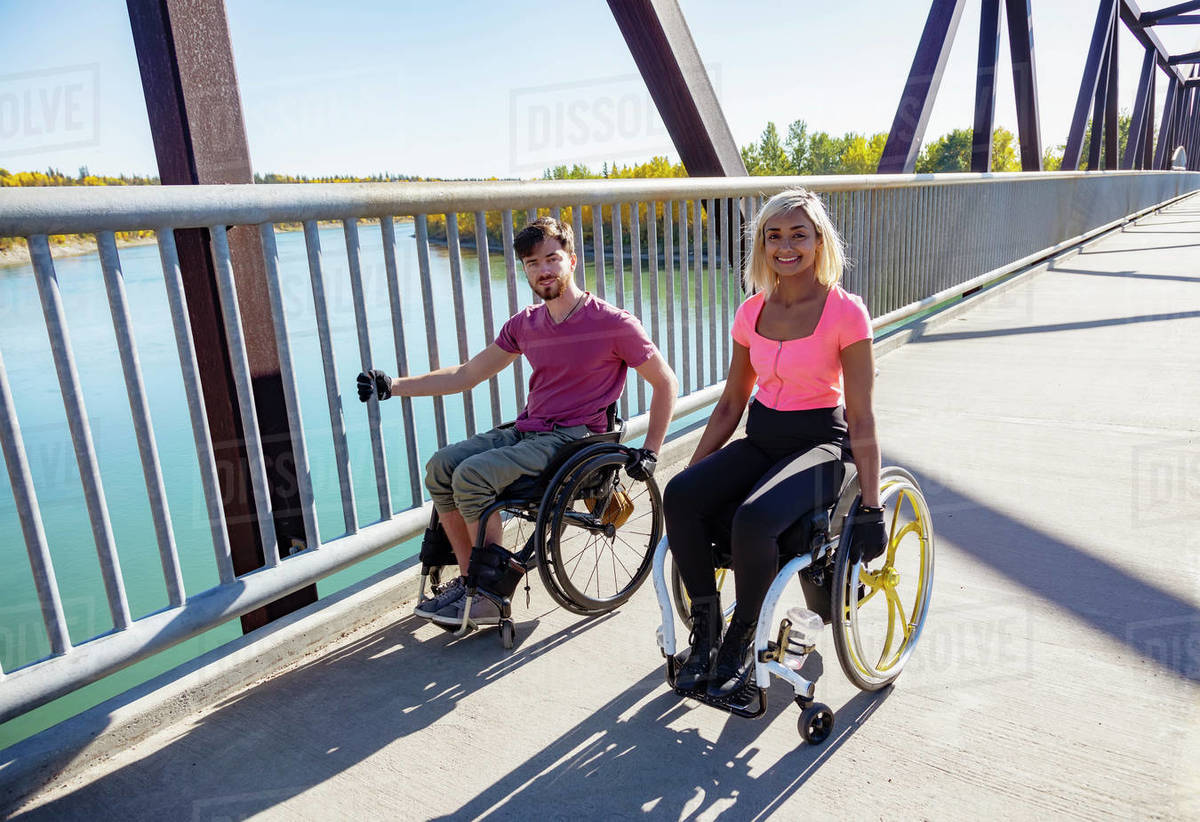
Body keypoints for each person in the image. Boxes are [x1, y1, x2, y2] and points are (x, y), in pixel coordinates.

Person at [358, 217, 678, 628]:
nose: (543, 270)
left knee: (472, 476)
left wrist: (650, 452)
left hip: (577, 438)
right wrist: (392, 385)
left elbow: (665, 383)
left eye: (552, 259)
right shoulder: (525, 324)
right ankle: (471, 580)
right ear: (524, 270)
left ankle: (489, 593)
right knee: (441, 466)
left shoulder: (614, 323)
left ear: (572, 261)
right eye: (532, 263)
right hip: (531, 429)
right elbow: (466, 376)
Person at [662, 188, 887, 698]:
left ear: (819, 241)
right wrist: (693, 476)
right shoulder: (751, 312)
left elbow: (863, 415)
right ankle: (707, 627)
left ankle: (743, 635)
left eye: (798, 235)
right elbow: (730, 405)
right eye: (773, 236)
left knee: (754, 519)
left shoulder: (845, 313)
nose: (786, 246)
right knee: (679, 495)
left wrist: (871, 507)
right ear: (761, 245)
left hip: (821, 445)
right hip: (762, 437)